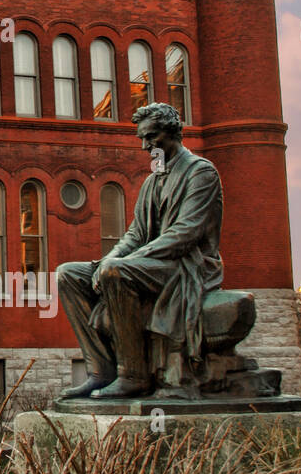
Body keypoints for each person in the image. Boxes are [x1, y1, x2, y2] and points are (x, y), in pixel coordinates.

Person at [57, 101, 224, 400]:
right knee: (68, 274)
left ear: (173, 133)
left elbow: (185, 234)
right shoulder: (152, 182)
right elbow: (135, 233)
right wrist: (109, 259)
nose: (146, 145)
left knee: (114, 272)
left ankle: (132, 375)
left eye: (152, 136)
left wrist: (121, 265)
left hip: (185, 266)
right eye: (142, 138)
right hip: (150, 264)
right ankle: (101, 371)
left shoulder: (201, 173)